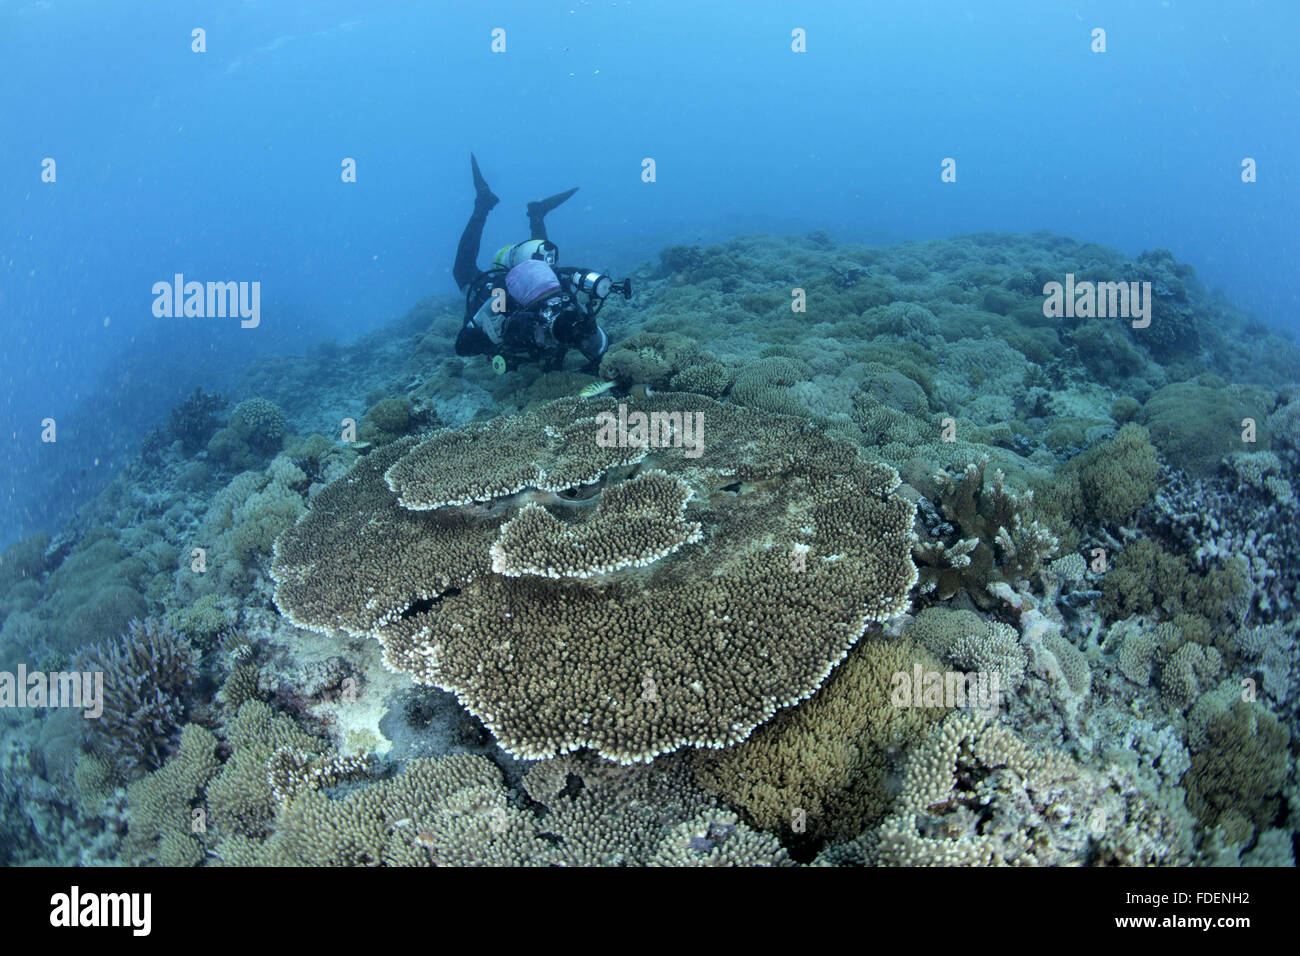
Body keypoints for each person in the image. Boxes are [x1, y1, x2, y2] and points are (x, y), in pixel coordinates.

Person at [451, 154, 630, 374]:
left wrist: (584, 328)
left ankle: (503, 209)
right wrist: (503, 330)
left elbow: (603, 352)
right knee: (464, 273)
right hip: (505, 295)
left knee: (543, 268)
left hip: (538, 283)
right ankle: (513, 210)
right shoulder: (500, 298)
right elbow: (463, 345)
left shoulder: (561, 295)